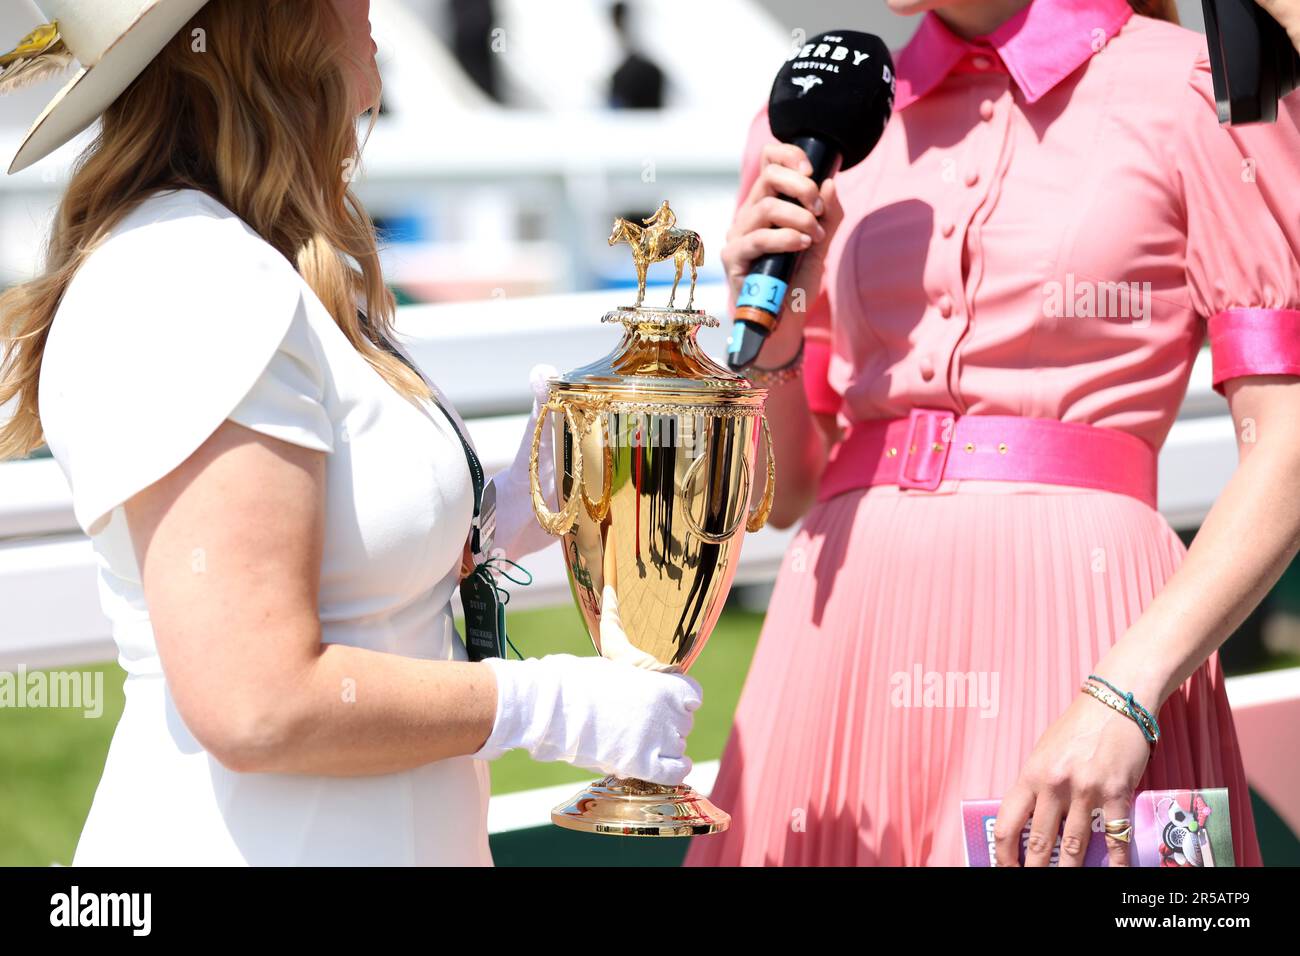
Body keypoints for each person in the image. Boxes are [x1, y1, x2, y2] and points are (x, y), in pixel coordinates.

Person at [0, 0, 701, 866]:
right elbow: (256, 700)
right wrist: (544, 705)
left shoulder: (253, 256)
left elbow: (344, 574)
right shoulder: (191, 271)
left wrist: (506, 510)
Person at [686, 0, 1300, 867]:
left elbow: (1290, 443)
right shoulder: (824, 118)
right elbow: (784, 495)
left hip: (1088, 640)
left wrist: (1126, 693)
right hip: (834, 645)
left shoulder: (1199, 89)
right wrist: (773, 336)